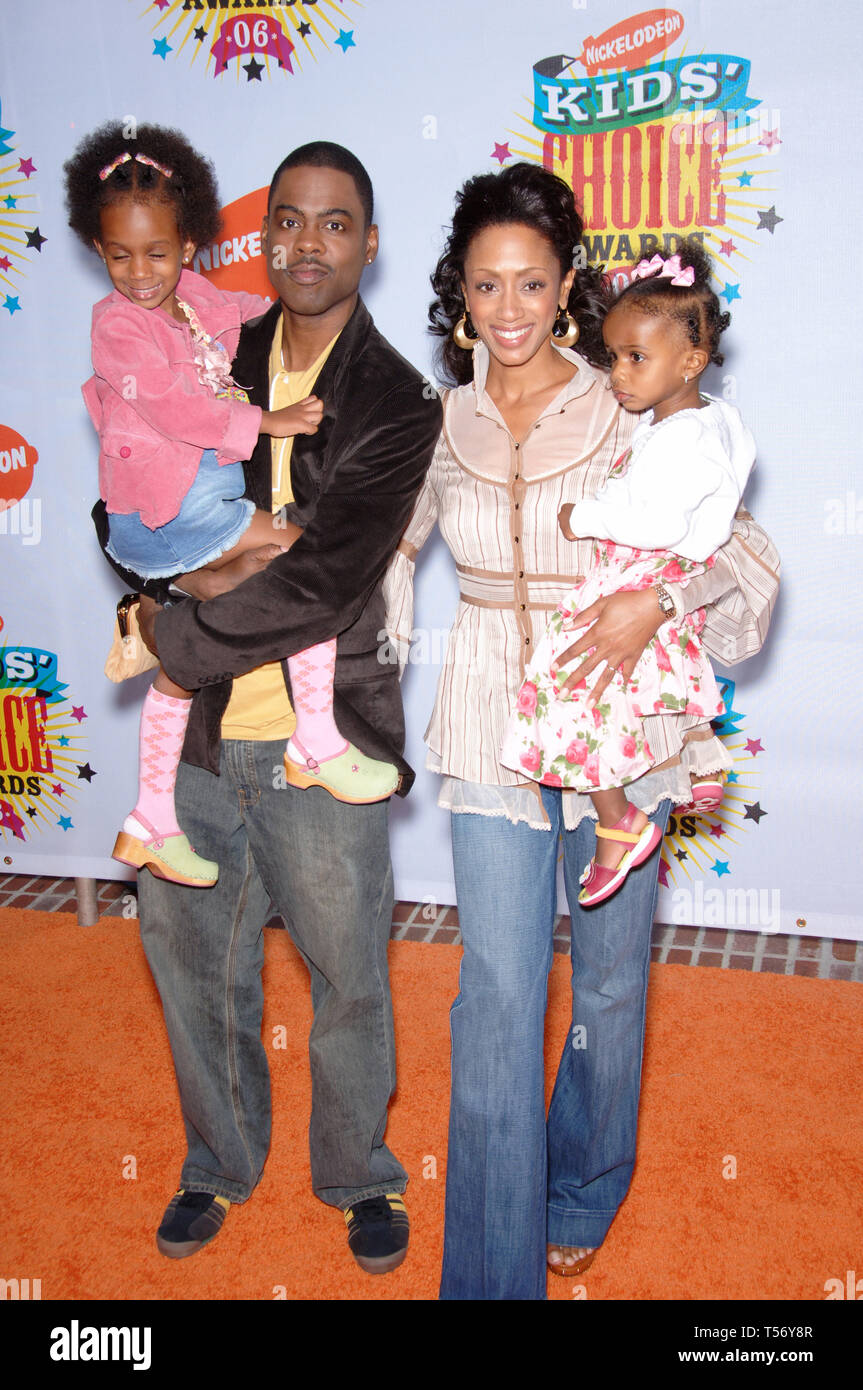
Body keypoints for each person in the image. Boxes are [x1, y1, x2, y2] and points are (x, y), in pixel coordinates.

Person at [383, 163, 778, 1299]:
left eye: (529, 285)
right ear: (458, 294)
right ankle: (489, 1278)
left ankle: (581, 1191)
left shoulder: (628, 396)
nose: (506, 310)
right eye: (483, 286)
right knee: (498, 996)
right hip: (494, 731)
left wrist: (656, 599)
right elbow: (382, 549)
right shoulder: (440, 417)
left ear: (565, 289)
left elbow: (738, 554)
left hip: (621, 721)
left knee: (605, 986)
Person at [91, 141, 442, 1273]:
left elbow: (324, 579)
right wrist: (171, 580)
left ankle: (356, 1175)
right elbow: (119, 501)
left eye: (334, 223)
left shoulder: (393, 397)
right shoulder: (204, 342)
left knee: (346, 974)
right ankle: (215, 1162)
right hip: (195, 743)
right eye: (287, 220)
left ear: (368, 244)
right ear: (262, 236)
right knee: (193, 963)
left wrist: (167, 636)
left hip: (319, 733)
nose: (305, 242)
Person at [67, 123, 398, 893]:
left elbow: (246, 313)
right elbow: (178, 410)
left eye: (157, 253)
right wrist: (267, 421)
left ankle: (152, 811)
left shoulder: (190, 297)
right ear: (97, 250)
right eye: (120, 256)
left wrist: (291, 313)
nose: (140, 273)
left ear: (189, 247)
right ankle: (313, 738)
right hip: (167, 515)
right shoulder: (116, 326)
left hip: (190, 508)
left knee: (199, 647)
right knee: (295, 559)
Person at [500, 239, 755, 907]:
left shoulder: (681, 440)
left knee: (568, 680)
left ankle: (616, 820)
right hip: (664, 573)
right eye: (614, 355)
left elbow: (654, 522)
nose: (618, 373)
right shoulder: (709, 422)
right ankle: (701, 751)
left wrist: (580, 517)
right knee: (647, 673)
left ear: (692, 361)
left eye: (636, 358)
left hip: (639, 569)